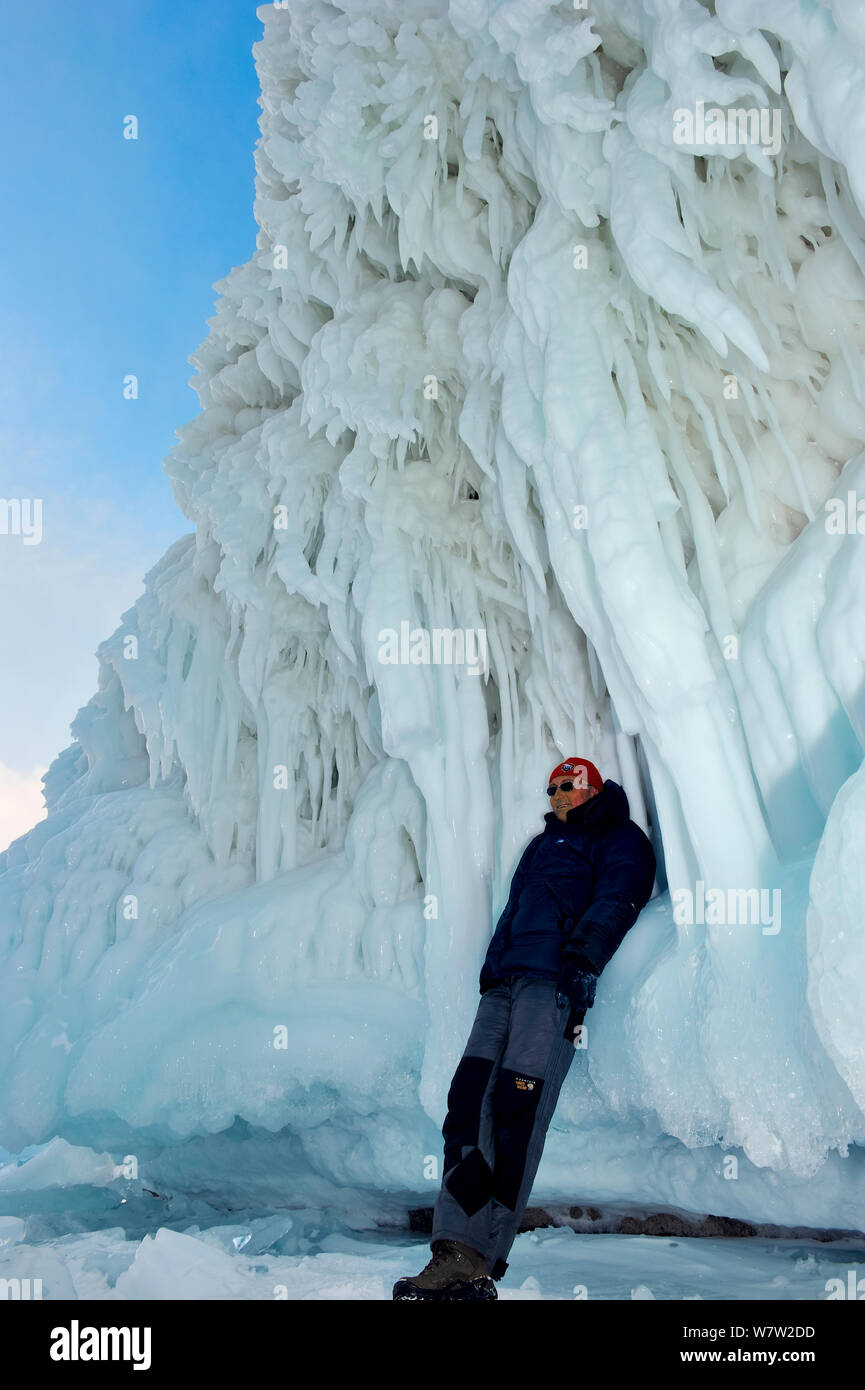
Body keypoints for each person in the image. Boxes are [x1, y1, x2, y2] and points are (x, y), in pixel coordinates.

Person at [393, 756, 656, 1300]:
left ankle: (477, 1258)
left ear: (591, 787)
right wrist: (491, 971)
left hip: (551, 985)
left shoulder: (618, 837)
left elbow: (620, 896)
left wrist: (582, 962)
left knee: (518, 1110)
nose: (556, 794)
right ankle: (450, 1249)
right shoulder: (540, 847)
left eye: (567, 785)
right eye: (551, 787)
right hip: (504, 985)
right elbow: (512, 910)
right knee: (467, 1104)